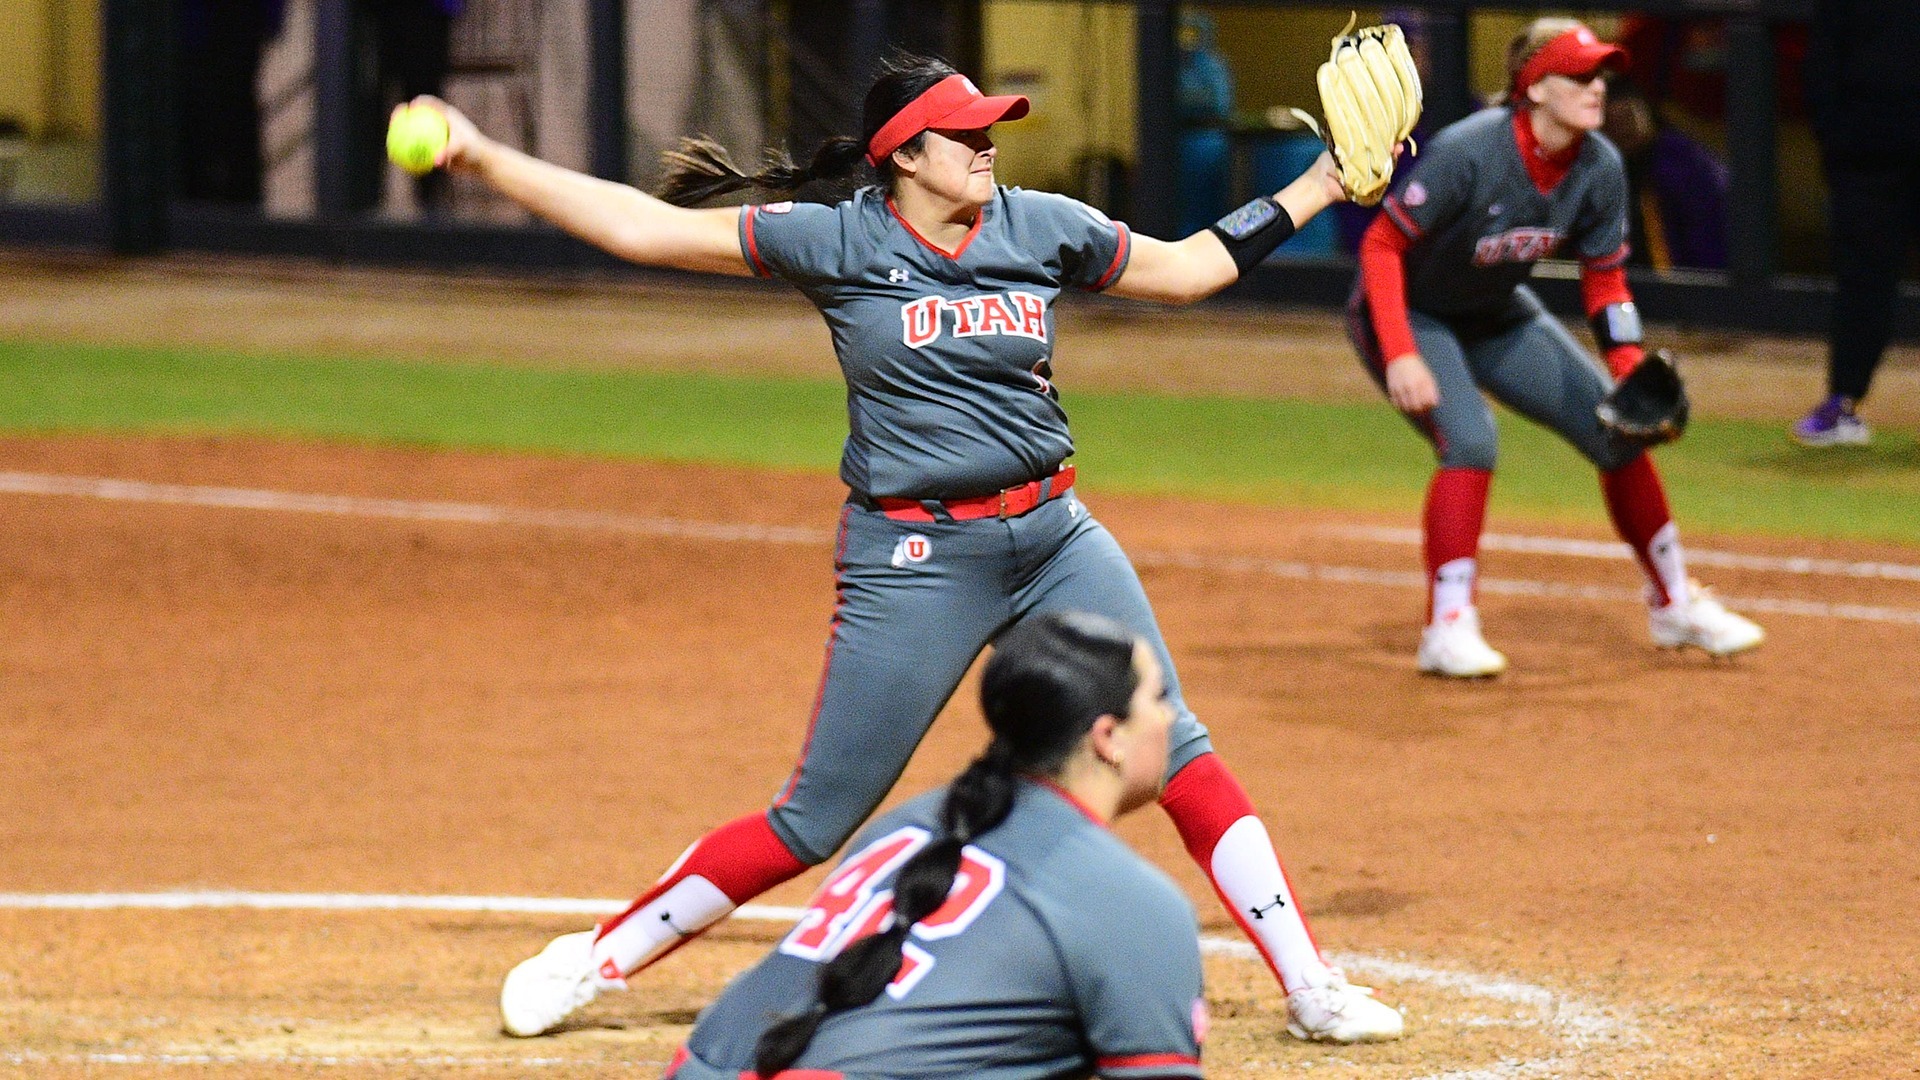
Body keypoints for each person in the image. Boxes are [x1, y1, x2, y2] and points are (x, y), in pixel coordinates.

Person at [413, 50, 1405, 1045]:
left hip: (1056, 537)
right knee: (813, 819)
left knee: (1178, 749)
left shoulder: (1039, 224)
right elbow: (642, 227)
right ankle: (596, 959)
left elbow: (1188, 270)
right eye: (964, 134)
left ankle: (1310, 986)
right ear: (904, 155)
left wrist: (1323, 183)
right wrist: (486, 157)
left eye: (990, 129)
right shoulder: (837, 241)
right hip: (917, 559)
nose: (987, 146)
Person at [1348, 19, 1765, 677]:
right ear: (1536, 88)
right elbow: (1382, 245)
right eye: (1579, 75)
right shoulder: (1469, 151)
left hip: (1494, 312)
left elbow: (1606, 279)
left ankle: (1675, 604)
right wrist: (1400, 351)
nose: (1598, 88)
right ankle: (1447, 629)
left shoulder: (1599, 165)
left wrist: (1626, 363)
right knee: (1471, 440)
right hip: (1410, 313)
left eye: (1602, 74)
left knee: (1618, 430)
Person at [665, 611, 1204, 1080]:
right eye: (1158, 698)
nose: (1171, 717)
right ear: (1108, 737)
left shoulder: (908, 826)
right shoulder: (1130, 901)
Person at [1792, 0, 1920, 447]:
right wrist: (1839, 142)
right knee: (1862, 283)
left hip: (1868, 157)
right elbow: (1821, 64)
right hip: (1868, 162)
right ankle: (1841, 402)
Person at [1599, 75, 1730, 271]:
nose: (1624, 129)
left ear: (1647, 113)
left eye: (1628, 117)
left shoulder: (1680, 162)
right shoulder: (1612, 169)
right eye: (1612, 123)